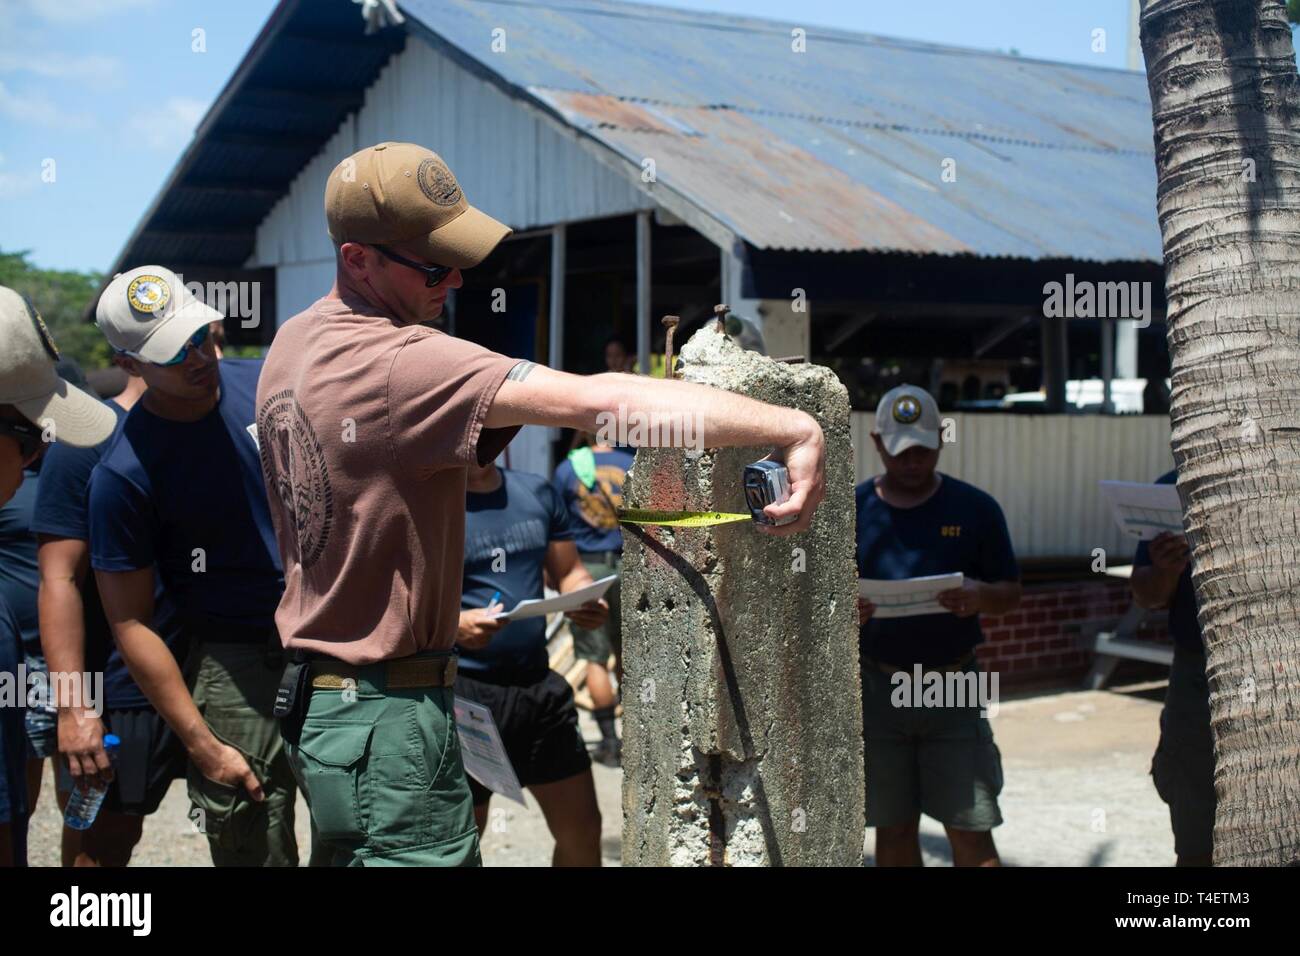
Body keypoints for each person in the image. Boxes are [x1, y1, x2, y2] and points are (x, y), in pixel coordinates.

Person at [255, 141, 825, 867]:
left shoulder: (296, 342)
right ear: (358, 259)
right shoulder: (400, 359)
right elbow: (605, 402)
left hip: (329, 704)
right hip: (389, 711)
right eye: (434, 266)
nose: (456, 278)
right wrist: (790, 426)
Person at [88, 266, 298, 867]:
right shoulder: (124, 475)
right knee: (255, 840)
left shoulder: (267, 384)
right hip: (235, 661)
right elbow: (130, 623)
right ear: (130, 366)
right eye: (172, 352)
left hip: (327, 635)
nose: (198, 356)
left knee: (361, 825)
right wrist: (203, 746)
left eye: (201, 334)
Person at [855, 384, 1021, 867]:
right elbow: (820, 601)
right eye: (902, 450)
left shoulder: (976, 509)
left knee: (971, 828)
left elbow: (1010, 594)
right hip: (878, 686)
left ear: (941, 439)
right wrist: (847, 611)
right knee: (895, 828)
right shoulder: (851, 510)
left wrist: (980, 597)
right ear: (878, 442)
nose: (913, 461)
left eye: (924, 449)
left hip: (952, 685)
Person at [34, 355, 189, 866]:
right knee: (104, 841)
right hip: (121, 688)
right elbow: (59, 580)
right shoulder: (88, 441)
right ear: (131, 356)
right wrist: (75, 709)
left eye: (211, 340)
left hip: (208, 674)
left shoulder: (212, 435)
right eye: (182, 347)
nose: (206, 356)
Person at [0, 285, 117, 866]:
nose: (28, 464)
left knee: (59, 799)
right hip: (23, 663)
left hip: (48, 665)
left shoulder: (64, 481)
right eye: (26, 439)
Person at [456, 458, 607, 865]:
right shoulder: (427, 502)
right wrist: (452, 626)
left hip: (538, 690)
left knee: (584, 829)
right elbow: (400, 600)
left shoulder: (537, 492)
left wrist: (584, 595)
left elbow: (570, 571)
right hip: (461, 697)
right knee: (462, 841)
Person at [1129, 469, 1213, 866]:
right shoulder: (1172, 486)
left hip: (1279, 665)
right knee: (1195, 828)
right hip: (1196, 671)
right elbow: (1146, 596)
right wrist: (1166, 569)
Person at [552, 434, 634, 766]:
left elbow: (555, 524)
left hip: (586, 568)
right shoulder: (630, 462)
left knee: (594, 658)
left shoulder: (567, 468)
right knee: (629, 654)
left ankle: (610, 744)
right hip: (628, 564)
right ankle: (638, 735)